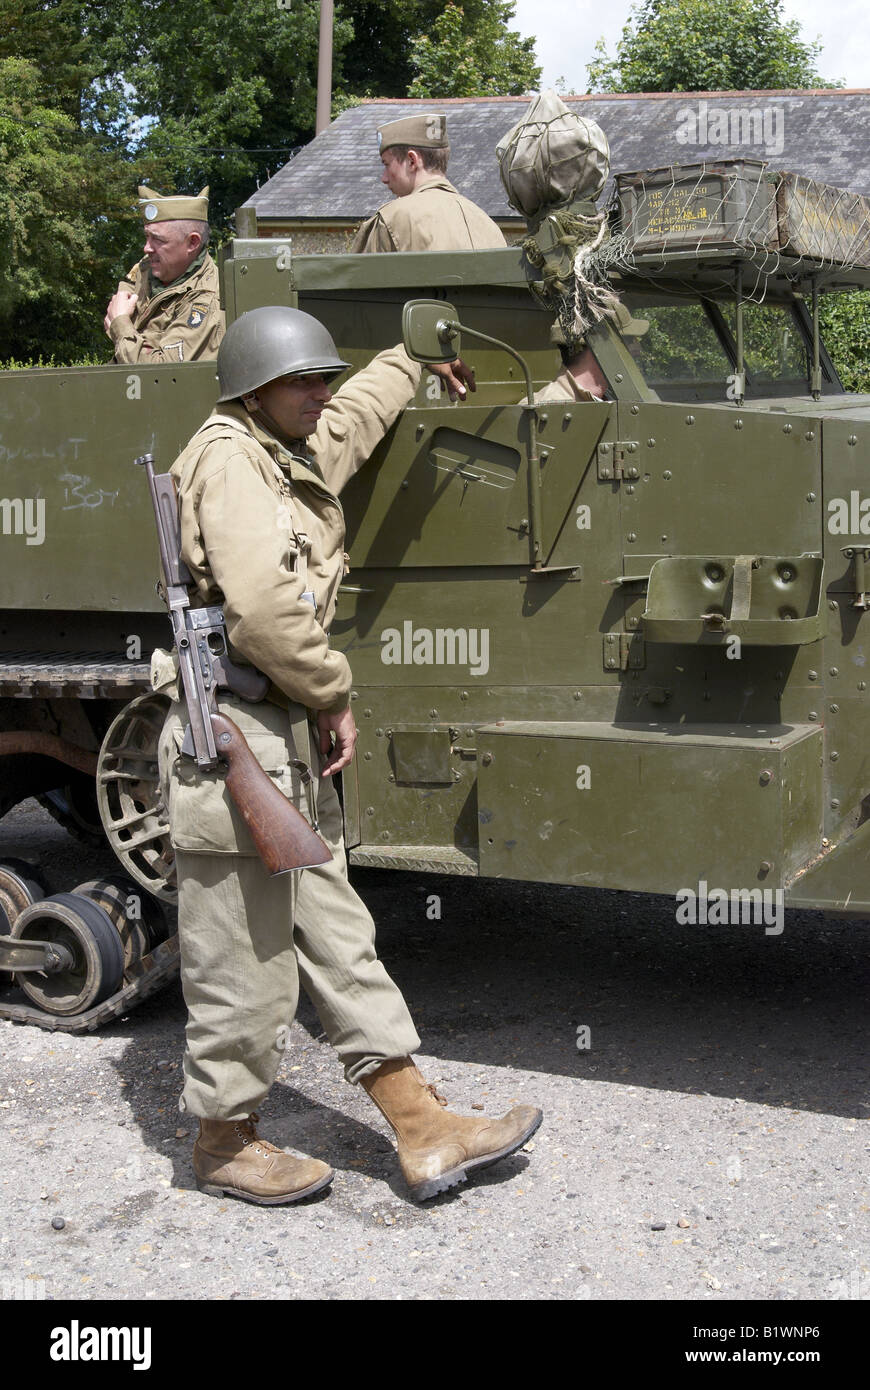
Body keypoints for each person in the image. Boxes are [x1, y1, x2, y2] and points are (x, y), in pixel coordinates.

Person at [155, 306, 542, 1206]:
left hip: (280, 727)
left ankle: (422, 1127)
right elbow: (262, 611)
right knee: (242, 956)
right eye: (302, 380)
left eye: (324, 377)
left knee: (339, 936)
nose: (320, 393)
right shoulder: (230, 461)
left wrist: (409, 358)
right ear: (255, 390)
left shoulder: (281, 450)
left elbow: (353, 422)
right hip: (236, 737)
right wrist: (333, 690)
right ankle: (223, 1141)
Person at [350, 113, 507, 254]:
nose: (384, 178)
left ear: (412, 160)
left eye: (386, 164)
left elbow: (359, 277)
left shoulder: (390, 219)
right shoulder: (487, 224)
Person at [105, 186, 225, 364]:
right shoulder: (149, 269)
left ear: (192, 242)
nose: (147, 248)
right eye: (147, 236)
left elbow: (161, 375)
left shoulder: (205, 301)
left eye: (158, 239)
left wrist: (120, 324)